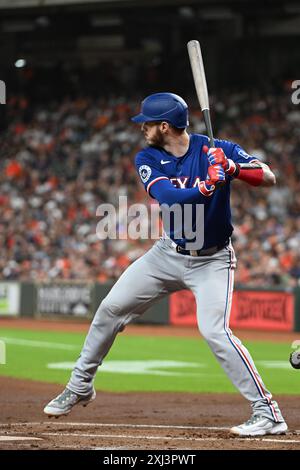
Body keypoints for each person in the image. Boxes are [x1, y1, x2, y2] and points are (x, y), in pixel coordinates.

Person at [44, 92, 288, 437]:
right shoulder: (149, 157)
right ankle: (80, 385)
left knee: (215, 332)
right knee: (110, 309)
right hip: (166, 255)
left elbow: (268, 176)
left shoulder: (217, 148)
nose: (142, 129)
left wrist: (233, 169)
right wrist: (207, 185)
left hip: (213, 259)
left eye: (146, 123)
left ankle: (268, 413)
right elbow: (166, 195)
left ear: (164, 126)